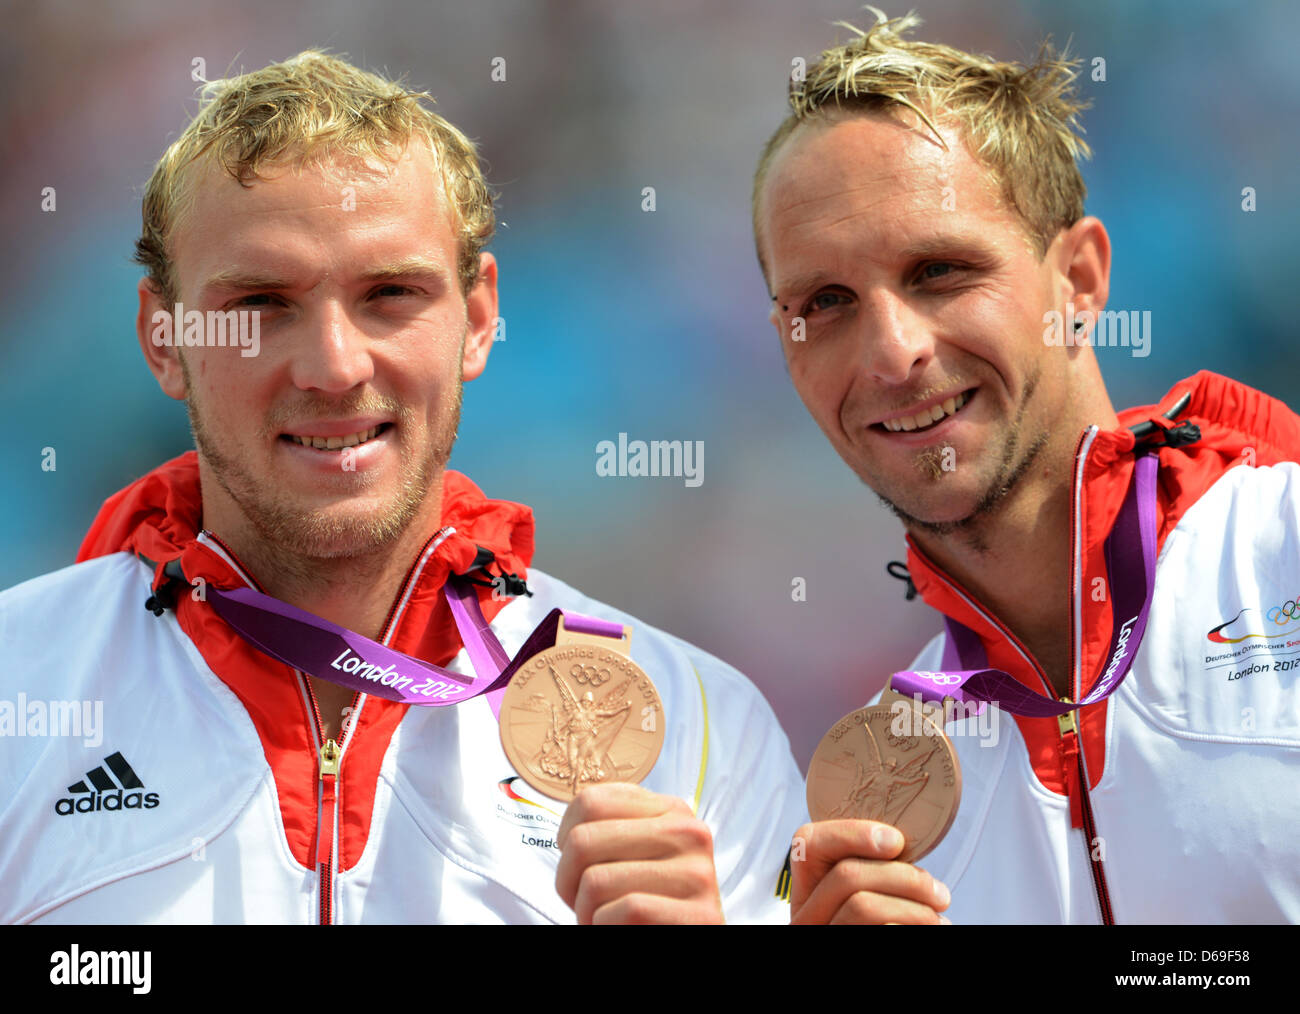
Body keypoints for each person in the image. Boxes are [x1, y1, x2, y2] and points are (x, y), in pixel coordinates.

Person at [0, 50, 805, 924]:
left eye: (390, 294)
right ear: (163, 337)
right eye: (262, 304)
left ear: (480, 317)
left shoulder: (697, 727)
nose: (335, 368)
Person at [752, 10, 1300, 923]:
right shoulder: (871, 800)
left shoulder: (1282, 547)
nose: (891, 353)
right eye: (828, 301)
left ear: (1078, 281)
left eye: (939, 271)